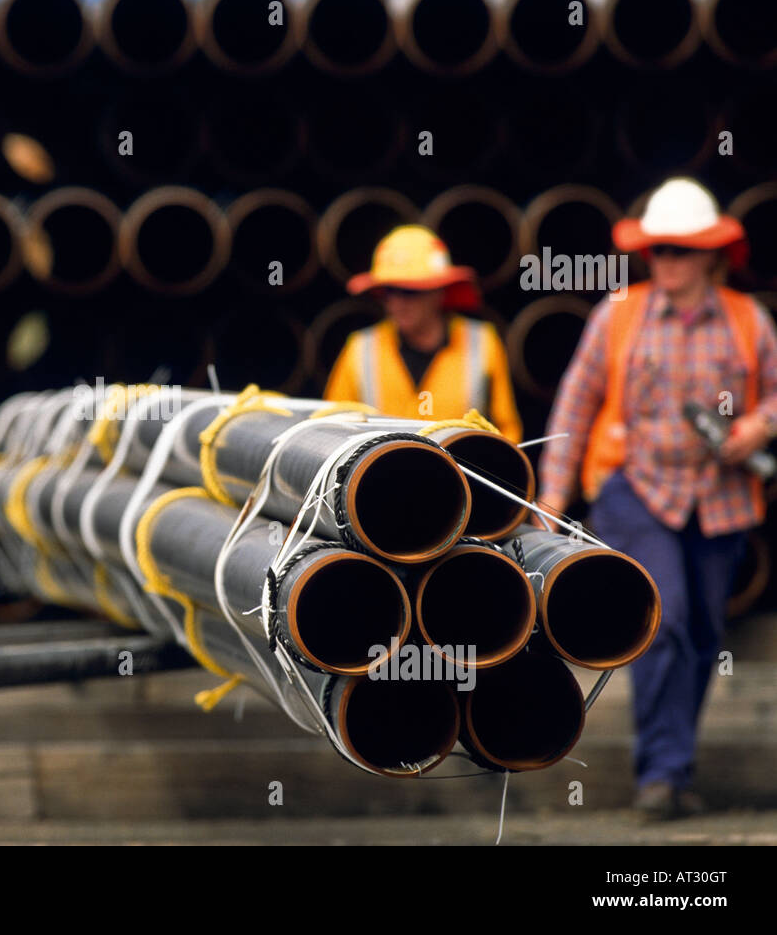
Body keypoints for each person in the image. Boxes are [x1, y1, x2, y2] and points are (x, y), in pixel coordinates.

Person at [536, 177, 777, 820]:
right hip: (634, 491)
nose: (665, 261)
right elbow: (575, 404)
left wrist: (757, 425)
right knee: (661, 620)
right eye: (658, 249)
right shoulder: (617, 315)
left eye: (679, 249)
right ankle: (661, 776)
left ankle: (674, 770)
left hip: (719, 500)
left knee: (700, 633)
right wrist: (550, 504)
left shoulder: (750, 321)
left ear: (709, 254)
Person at [323, 224, 522, 442]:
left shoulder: (483, 343)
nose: (397, 303)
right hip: (378, 475)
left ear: (439, 291)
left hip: (459, 475)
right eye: (390, 291)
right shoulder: (360, 348)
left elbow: (507, 432)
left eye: (409, 291)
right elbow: (332, 430)